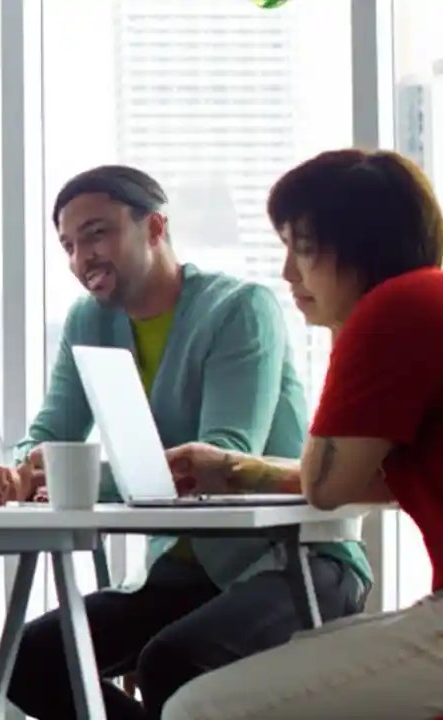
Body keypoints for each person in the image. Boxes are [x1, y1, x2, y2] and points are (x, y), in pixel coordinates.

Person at [0, 165, 371, 719]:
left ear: (156, 227)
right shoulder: (89, 321)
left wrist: (62, 477)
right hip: (185, 574)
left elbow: (217, 461)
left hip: (296, 563)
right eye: (69, 245)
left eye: (98, 233)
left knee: (171, 661)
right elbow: (52, 434)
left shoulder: (239, 310)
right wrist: (8, 474)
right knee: (30, 658)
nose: (82, 258)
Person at [160, 150, 443, 719]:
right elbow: (376, 479)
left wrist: (347, 330)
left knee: (197, 709)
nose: (290, 273)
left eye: (304, 248)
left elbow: (326, 487)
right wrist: (239, 469)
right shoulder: (427, 300)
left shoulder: (392, 311)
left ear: (362, 246)